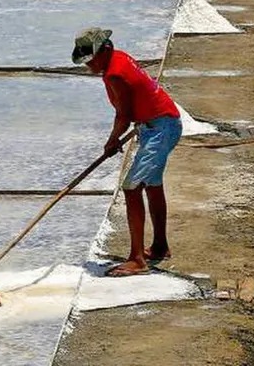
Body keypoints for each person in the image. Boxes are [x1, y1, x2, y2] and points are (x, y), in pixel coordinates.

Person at [72, 27, 183, 277]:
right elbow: (129, 110)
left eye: (90, 59)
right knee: (152, 184)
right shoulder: (118, 59)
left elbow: (124, 115)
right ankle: (160, 246)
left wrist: (112, 142)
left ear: (104, 51)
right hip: (159, 124)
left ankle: (137, 259)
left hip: (160, 128)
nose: (88, 66)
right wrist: (118, 137)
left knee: (132, 188)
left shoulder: (115, 74)